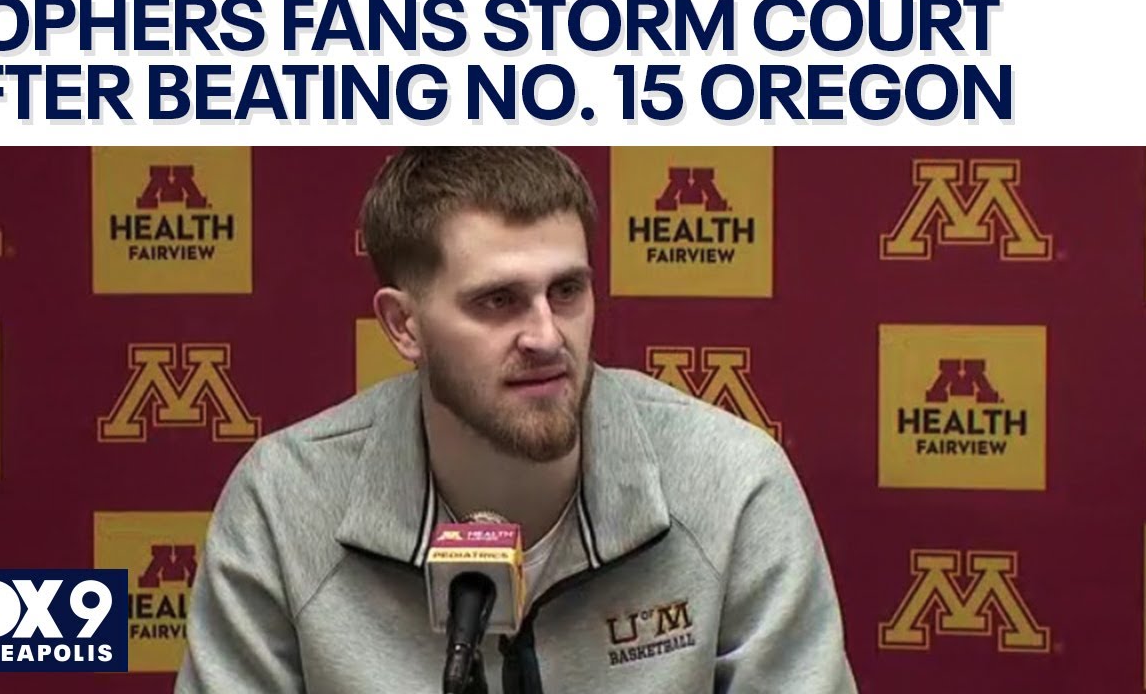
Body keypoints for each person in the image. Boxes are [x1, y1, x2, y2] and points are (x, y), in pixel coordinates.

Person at [175, 146, 858, 693]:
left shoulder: (731, 484)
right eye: (498, 300)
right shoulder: (286, 500)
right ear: (403, 325)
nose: (546, 336)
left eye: (567, 291)